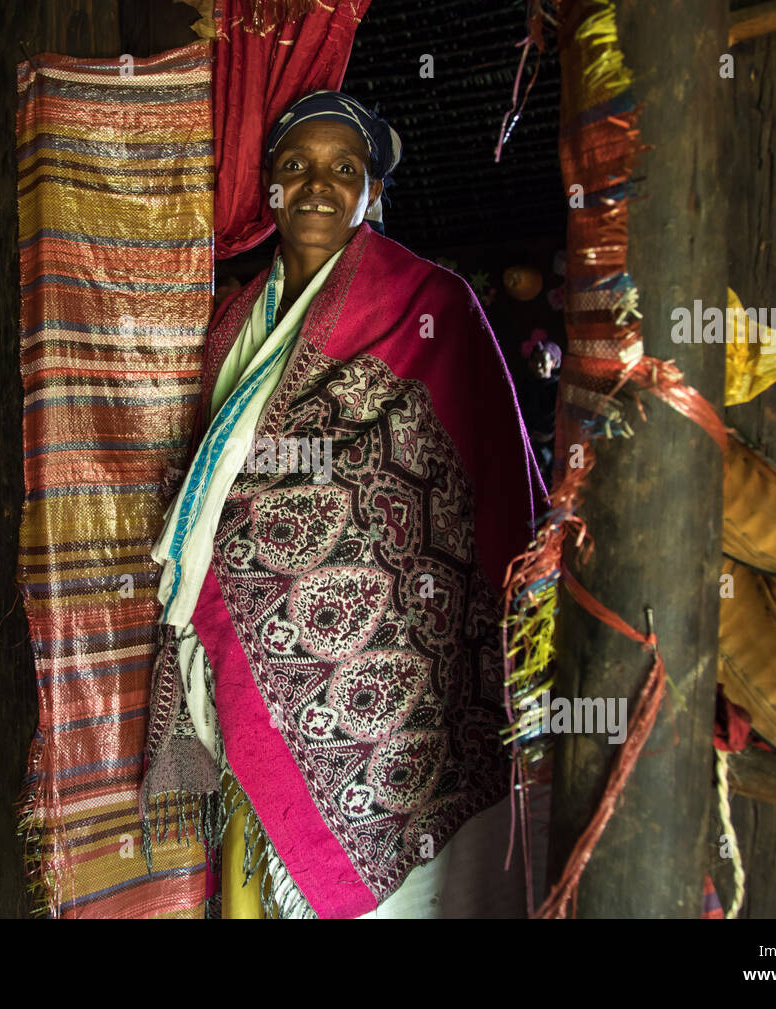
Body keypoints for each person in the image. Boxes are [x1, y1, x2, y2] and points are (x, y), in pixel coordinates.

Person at [141, 90, 544, 918]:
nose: (318, 185)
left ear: (373, 193)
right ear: (270, 192)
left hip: (405, 665)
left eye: (344, 169)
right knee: (256, 861)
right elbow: (211, 467)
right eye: (295, 166)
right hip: (245, 652)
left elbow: (485, 483)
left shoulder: (431, 305)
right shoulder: (232, 322)